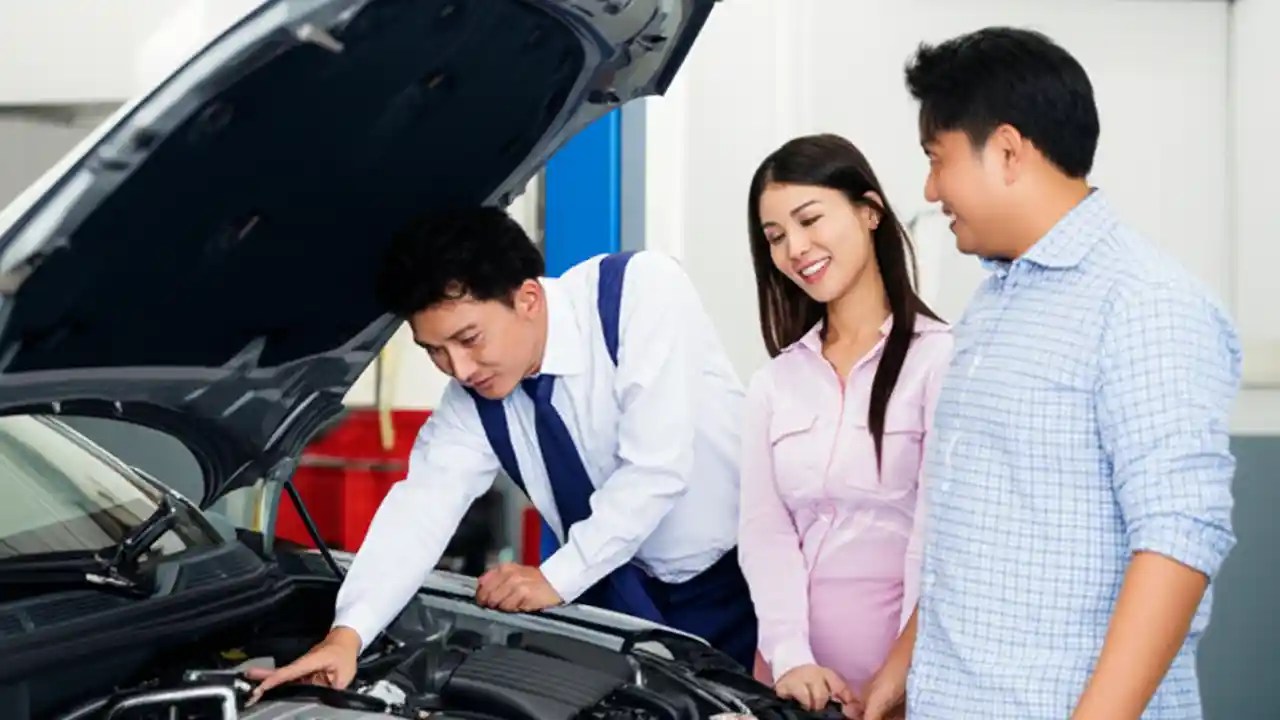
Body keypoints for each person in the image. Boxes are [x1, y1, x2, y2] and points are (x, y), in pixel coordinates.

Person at [862, 27, 1243, 720]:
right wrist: (906, 661)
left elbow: (1178, 539)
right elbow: (979, 524)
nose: (928, 187)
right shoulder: (997, 298)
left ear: (1006, 151)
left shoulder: (1145, 301)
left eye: (935, 158)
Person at [247, 207, 758, 701]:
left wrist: (556, 577)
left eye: (469, 339)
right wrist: (348, 634)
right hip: (612, 594)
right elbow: (421, 506)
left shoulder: (637, 293)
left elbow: (656, 468)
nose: (460, 368)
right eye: (435, 351)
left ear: (528, 298)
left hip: (741, 587)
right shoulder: (474, 398)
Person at [738, 133, 953, 717]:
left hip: (911, 684)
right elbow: (766, 534)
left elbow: (939, 543)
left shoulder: (941, 361)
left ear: (869, 212)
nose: (795, 249)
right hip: (797, 687)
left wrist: (901, 673)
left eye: (810, 220)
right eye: (776, 237)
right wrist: (790, 658)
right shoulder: (774, 382)